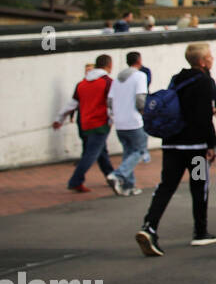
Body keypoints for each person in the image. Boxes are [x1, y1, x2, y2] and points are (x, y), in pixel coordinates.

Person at [134, 43, 216, 256]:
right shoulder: (205, 82)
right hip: (196, 148)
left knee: (166, 186)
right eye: (209, 56)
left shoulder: (176, 79)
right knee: (199, 186)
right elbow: (205, 116)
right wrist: (212, 144)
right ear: (201, 61)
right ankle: (200, 232)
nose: (212, 59)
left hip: (172, 144)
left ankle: (149, 226)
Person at [52, 54, 116, 193]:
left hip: (85, 122)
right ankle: (75, 180)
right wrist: (113, 119)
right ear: (109, 65)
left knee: (101, 151)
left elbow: (72, 104)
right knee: (91, 153)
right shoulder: (108, 82)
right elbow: (112, 104)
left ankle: (112, 176)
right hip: (100, 122)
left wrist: (59, 119)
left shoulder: (82, 84)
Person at [107, 50, 150, 195]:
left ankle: (128, 186)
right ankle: (118, 175)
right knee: (140, 150)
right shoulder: (140, 76)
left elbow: (110, 101)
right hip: (134, 121)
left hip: (120, 122)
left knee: (128, 152)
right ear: (139, 61)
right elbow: (140, 99)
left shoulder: (117, 79)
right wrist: (144, 112)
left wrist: (115, 114)